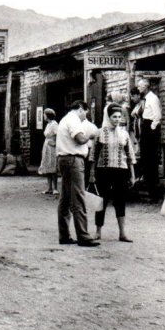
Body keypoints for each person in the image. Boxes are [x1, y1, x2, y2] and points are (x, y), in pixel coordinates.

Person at [55, 100, 100, 247]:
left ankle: (64, 235)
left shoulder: (64, 119)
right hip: (74, 159)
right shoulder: (73, 119)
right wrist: (91, 135)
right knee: (78, 197)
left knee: (66, 198)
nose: (84, 117)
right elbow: (80, 139)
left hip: (64, 158)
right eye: (85, 113)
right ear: (81, 109)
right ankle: (83, 235)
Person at [91, 104, 137, 242]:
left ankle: (122, 233)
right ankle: (98, 232)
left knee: (120, 201)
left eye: (119, 117)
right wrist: (92, 173)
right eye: (114, 117)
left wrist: (132, 175)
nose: (117, 119)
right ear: (108, 117)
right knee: (101, 201)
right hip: (103, 170)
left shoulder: (124, 134)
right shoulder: (100, 133)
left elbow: (130, 156)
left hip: (121, 171)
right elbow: (94, 154)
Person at [137, 78, 162, 200]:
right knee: (146, 159)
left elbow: (157, 116)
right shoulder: (146, 99)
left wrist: (151, 129)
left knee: (151, 160)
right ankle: (150, 189)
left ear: (146, 86)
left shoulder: (153, 98)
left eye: (140, 86)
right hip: (146, 127)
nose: (138, 88)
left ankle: (154, 193)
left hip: (150, 128)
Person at [37, 108, 59, 195]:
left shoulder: (54, 124)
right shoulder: (48, 124)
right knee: (47, 166)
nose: (43, 116)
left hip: (52, 148)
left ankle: (55, 188)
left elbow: (59, 135)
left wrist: (54, 143)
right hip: (47, 147)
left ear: (48, 115)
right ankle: (49, 188)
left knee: (53, 166)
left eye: (44, 114)